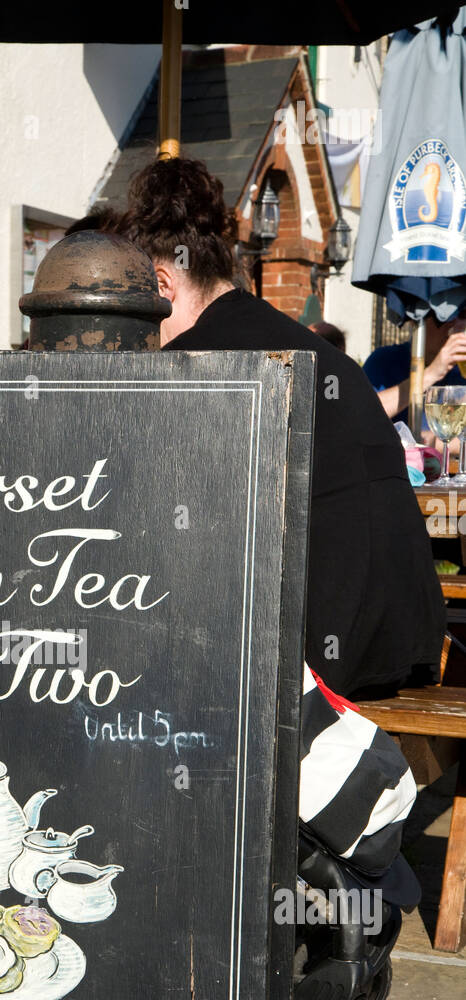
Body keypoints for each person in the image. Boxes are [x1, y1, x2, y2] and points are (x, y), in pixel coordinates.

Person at [117, 156, 446, 701]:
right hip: (406, 635)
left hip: (328, 662)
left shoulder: (203, 367)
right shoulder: (291, 341)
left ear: (162, 282)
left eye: (138, 304)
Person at [364, 310, 466, 426]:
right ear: (415, 322)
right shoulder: (384, 360)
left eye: (463, 315)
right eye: (444, 317)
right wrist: (431, 374)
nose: (455, 324)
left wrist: (435, 441)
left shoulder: (461, 370)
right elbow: (361, 416)